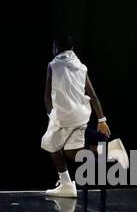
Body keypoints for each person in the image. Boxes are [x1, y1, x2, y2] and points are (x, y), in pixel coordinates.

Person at [42, 35, 111, 198]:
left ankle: (66, 184)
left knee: (50, 144)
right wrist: (102, 120)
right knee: (72, 153)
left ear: (57, 49)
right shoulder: (81, 67)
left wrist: (51, 115)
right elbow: (93, 95)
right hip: (81, 116)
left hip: (64, 116)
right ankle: (108, 151)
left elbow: (46, 96)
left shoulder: (53, 65)